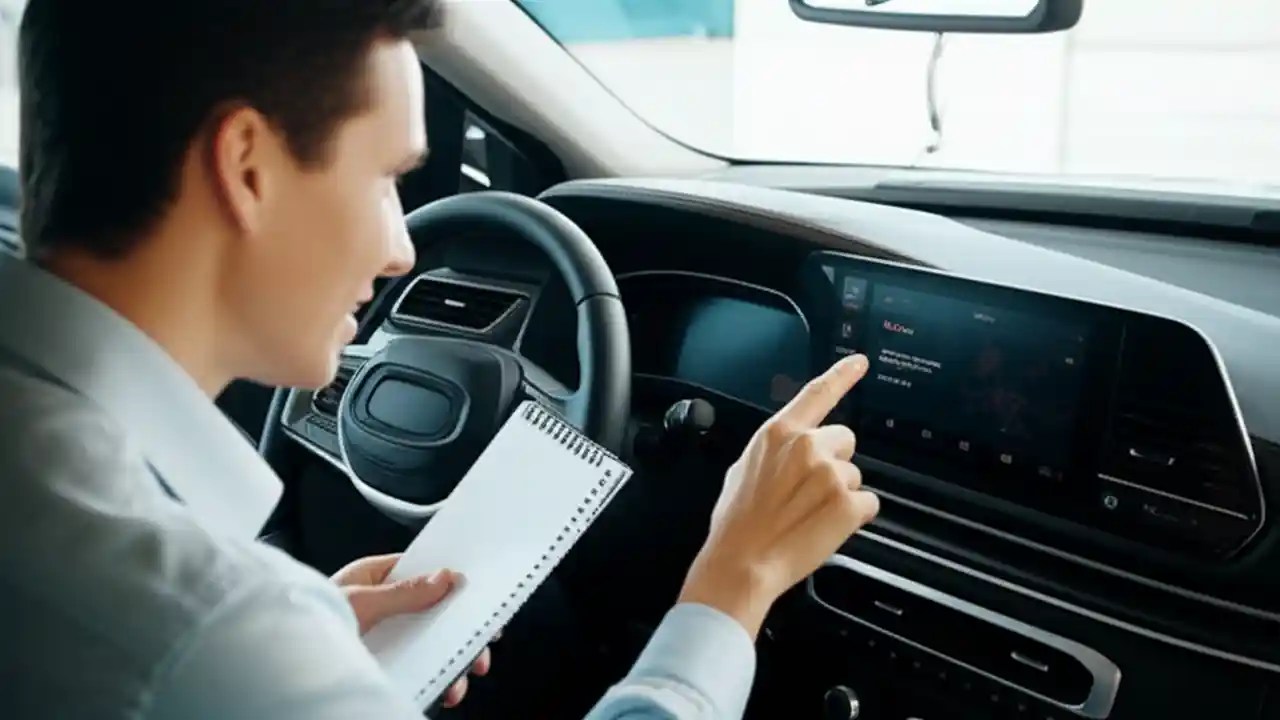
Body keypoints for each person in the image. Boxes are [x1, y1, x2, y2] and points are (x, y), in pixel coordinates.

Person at [0, 1, 880, 718]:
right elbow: (193, 642)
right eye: (387, 178)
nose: (400, 252)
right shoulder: (210, 629)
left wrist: (310, 639)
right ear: (247, 167)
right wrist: (734, 584)